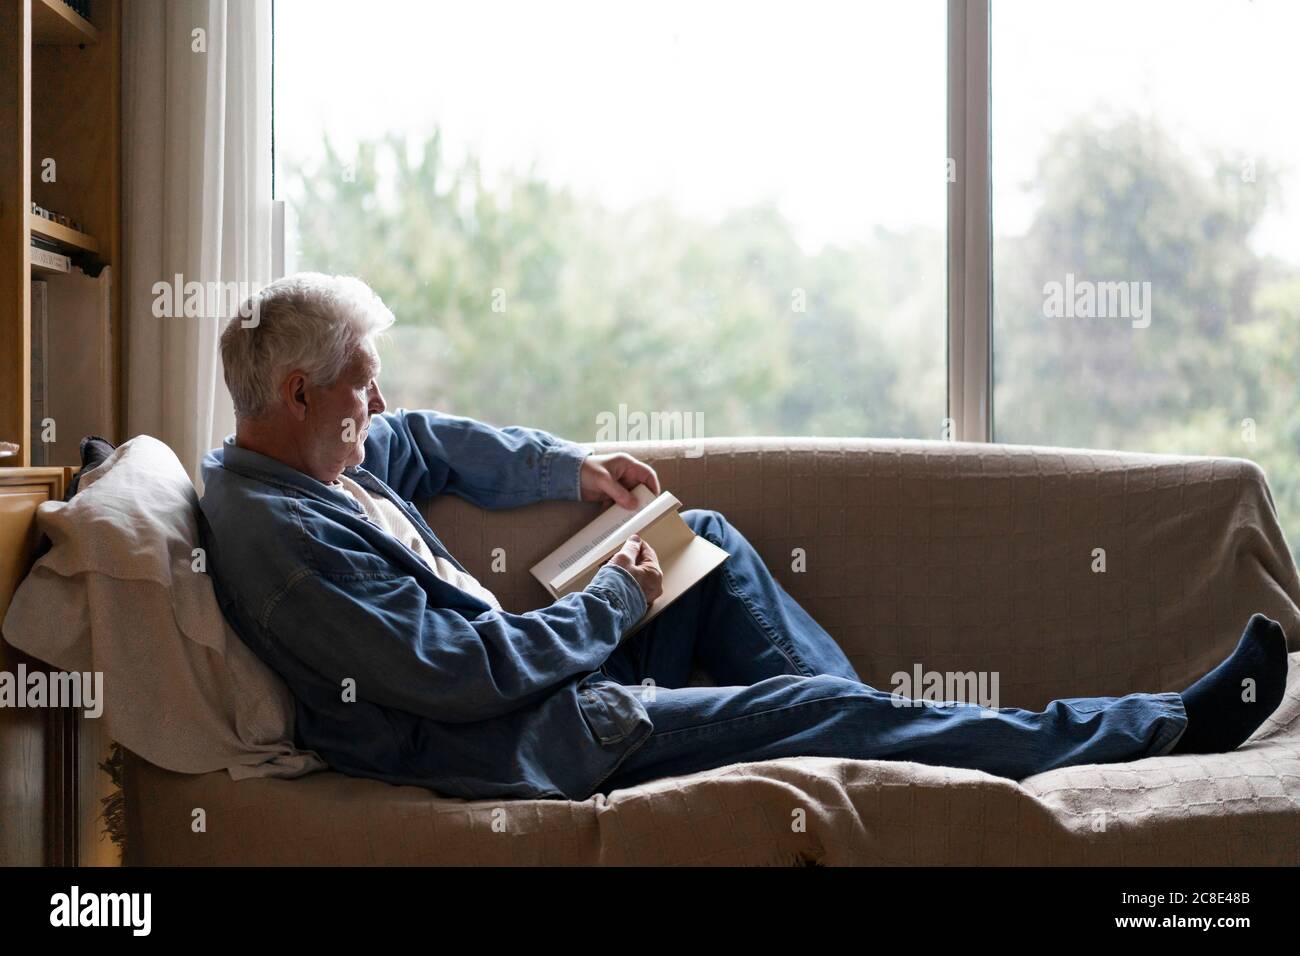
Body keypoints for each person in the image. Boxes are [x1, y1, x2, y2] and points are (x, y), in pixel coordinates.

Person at [199, 272, 1291, 801]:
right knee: (811, 701)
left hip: (543, 679)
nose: (379, 405)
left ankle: (881, 743)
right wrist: (614, 600)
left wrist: (570, 470)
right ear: (296, 391)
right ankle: (1152, 730)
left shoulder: (311, 460)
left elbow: (428, 445)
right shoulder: (284, 539)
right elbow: (457, 671)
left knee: (701, 537)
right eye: (361, 385)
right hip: (523, 736)